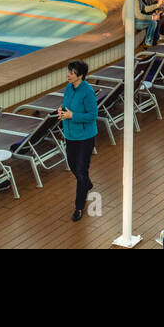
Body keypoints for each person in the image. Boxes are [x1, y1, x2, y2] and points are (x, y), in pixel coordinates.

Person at [58, 60, 97, 222]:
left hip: (85, 138)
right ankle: (87, 184)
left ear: (80, 76)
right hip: (70, 135)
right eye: (68, 72)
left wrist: (72, 116)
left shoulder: (87, 91)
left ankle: (79, 207)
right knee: (73, 166)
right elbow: (66, 105)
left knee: (81, 172)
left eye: (72, 73)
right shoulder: (68, 88)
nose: (68, 75)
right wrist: (61, 110)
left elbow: (93, 115)